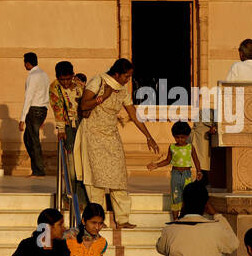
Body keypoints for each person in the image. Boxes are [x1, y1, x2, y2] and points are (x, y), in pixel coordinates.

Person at [76, 58, 160, 227]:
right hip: (93, 134)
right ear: (116, 73)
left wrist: (148, 136)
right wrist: (104, 96)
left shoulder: (122, 90)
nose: (128, 79)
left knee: (118, 177)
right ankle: (97, 220)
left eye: (129, 76)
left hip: (111, 135)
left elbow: (133, 114)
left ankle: (122, 219)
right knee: (95, 179)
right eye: (126, 76)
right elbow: (84, 105)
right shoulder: (98, 81)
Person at [49, 61, 86, 211]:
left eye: (67, 79)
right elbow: (57, 108)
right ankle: (69, 197)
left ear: (72, 75)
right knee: (71, 165)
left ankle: (82, 199)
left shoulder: (79, 87)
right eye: (62, 79)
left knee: (82, 166)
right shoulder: (55, 87)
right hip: (68, 128)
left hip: (83, 126)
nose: (65, 82)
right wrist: (61, 129)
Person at [147, 121, 202, 218]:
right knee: (175, 196)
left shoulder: (190, 147)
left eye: (183, 137)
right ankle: (175, 219)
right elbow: (168, 160)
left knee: (187, 196)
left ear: (187, 136)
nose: (180, 140)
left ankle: (185, 216)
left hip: (186, 175)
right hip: (175, 175)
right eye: (177, 137)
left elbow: (196, 160)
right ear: (173, 136)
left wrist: (199, 171)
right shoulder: (172, 147)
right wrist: (156, 165)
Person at [19, 52, 50, 178]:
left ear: (27, 63)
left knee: (33, 140)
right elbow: (46, 95)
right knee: (28, 139)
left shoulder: (33, 75)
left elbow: (29, 97)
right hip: (42, 109)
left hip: (34, 109)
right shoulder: (44, 74)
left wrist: (22, 118)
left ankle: (38, 170)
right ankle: (37, 167)